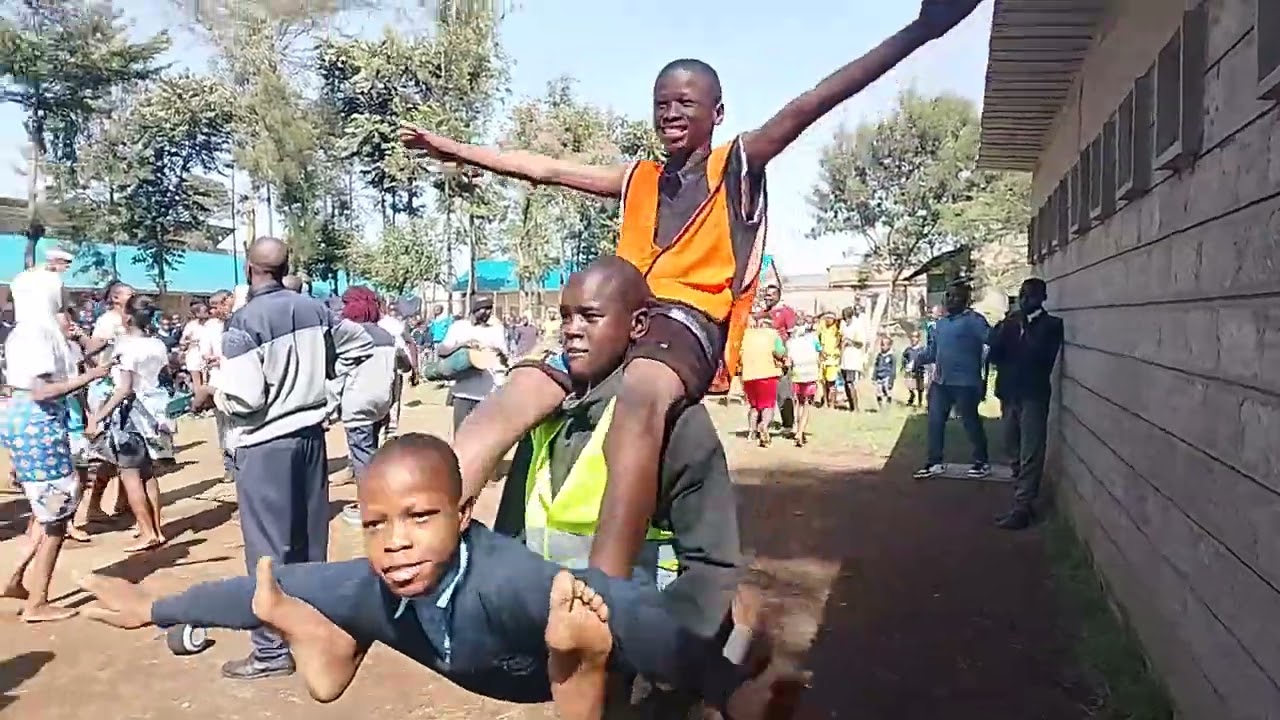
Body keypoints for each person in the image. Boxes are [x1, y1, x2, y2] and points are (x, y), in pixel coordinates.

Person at [401, 0, 986, 581]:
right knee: (517, 392)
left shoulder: (736, 166)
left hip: (684, 326)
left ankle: (605, 583)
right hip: (616, 321)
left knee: (641, 396)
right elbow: (545, 169)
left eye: (686, 103)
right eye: (662, 104)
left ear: (717, 112)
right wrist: (455, 150)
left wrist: (920, 32)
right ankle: (429, 548)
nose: (671, 113)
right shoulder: (638, 179)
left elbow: (812, 102)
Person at [76, 434, 792, 720]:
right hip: (496, 660)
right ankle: (324, 641)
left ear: (462, 511)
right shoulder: (375, 578)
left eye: (420, 517)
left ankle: (708, 643)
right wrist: (159, 607)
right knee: (304, 596)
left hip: (578, 657)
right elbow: (258, 587)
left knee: (613, 639)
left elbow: (630, 608)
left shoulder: (508, 578)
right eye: (377, 521)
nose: (396, 542)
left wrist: (733, 694)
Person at [491, 256, 753, 713]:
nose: (571, 329)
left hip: (645, 663)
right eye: (565, 316)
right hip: (565, 650)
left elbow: (712, 563)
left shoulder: (675, 423)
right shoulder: (548, 418)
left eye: (590, 317)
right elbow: (512, 536)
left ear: (638, 325)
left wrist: (670, 657)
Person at [193, 237, 335, 681]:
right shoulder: (314, 309)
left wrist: (212, 394)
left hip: (265, 444)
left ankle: (271, 652)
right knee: (309, 545)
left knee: (267, 552)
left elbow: (247, 396)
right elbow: (333, 363)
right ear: (287, 265)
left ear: (249, 267)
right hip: (311, 439)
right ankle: (315, 634)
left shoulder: (244, 321)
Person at [0, 252, 113, 621]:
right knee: (57, 516)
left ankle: (16, 578)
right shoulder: (39, 334)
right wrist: (91, 377)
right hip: (39, 422)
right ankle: (38, 602)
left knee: (42, 508)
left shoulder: (23, 330)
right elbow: (42, 391)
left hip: (24, 422)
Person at [87, 296, 174, 552]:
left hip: (130, 417)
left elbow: (124, 389)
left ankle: (147, 532)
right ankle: (156, 529)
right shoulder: (157, 345)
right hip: (154, 416)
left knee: (130, 476)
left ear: (126, 317)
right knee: (148, 474)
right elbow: (164, 377)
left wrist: (99, 416)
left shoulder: (125, 347)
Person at [987, 278, 1063, 530]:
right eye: (1021, 295)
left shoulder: (1052, 325)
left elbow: (1041, 357)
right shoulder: (1010, 323)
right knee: (1011, 445)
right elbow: (994, 354)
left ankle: (1023, 506)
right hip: (1009, 392)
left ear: (1041, 298)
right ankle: (1021, 493)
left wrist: (1021, 330)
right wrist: (1002, 329)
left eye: (1029, 296)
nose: (1024, 300)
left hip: (1033, 394)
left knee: (1031, 449)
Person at [331, 286, 412, 496]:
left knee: (362, 455)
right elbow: (405, 364)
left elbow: (335, 372)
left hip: (357, 404)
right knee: (371, 450)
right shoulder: (386, 334)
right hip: (381, 403)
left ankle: (371, 502)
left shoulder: (346, 334)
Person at [911, 282, 991, 480]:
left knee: (970, 421)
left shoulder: (974, 321)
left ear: (966, 300)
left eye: (957, 296)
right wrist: (918, 359)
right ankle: (934, 462)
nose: (951, 300)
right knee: (935, 421)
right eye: (949, 296)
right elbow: (933, 352)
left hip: (966, 382)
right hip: (941, 381)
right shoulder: (941, 324)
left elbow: (991, 341)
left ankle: (981, 462)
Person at [436, 297, 508, 434]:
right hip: (463, 392)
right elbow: (442, 351)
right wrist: (463, 344)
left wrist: (499, 355)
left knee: (484, 437)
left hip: (488, 392)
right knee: (461, 435)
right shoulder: (459, 327)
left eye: (490, 309)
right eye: (484, 308)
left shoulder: (497, 330)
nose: (488, 312)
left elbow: (506, 357)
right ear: (474, 309)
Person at [199, 290, 235, 482]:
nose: (215, 310)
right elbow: (205, 354)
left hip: (239, 379)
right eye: (212, 306)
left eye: (219, 304)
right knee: (223, 424)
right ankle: (229, 464)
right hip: (219, 380)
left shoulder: (241, 321)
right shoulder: (210, 327)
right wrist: (216, 358)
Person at [739, 315, 787, 448]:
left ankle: (751, 433)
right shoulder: (773, 335)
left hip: (749, 375)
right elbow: (779, 352)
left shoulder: (746, 335)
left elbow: (739, 353)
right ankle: (764, 425)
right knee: (768, 405)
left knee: (754, 406)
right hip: (768, 374)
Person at [784, 320, 821, 447]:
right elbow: (820, 353)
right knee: (806, 405)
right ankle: (800, 432)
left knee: (798, 403)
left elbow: (788, 362)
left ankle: (796, 428)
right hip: (811, 375)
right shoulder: (813, 340)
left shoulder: (790, 343)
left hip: (797, 375)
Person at [839, 305, 868, 412]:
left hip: (853, 358)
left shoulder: (858, 325)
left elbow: (861, 343)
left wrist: (850, 342)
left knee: (850, 382)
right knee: (846, 382)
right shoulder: (843, 325)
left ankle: (856, 408)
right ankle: (851, 405)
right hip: (844, 358)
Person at [817, 312, 842, 408]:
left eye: (830, 318)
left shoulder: (837, 327)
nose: (828, 320)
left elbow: (841, 318)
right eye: (826, 318)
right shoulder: (822, 326)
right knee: (823, 382)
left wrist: (835, 316)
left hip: (833, 358)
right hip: (824, 358)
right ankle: (826, 403)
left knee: (831, 383)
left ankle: (832, 403)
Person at [901, 330, 927, 409]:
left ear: (918, 339)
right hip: (910, 371)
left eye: (915, 337)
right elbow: (904, 358)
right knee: (909, 386)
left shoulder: (922, 349)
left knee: (920, 388)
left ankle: (920, 403)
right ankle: (912, 395)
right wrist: (905, 365)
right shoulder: (908, 350)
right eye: (912, 337)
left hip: (919, 371)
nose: (913, 339)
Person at [870, 334, 896, 410]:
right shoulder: (879, 356)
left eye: (884, 345)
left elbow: (893, 369)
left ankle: (888, 405)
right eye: (881, 345)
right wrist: (874, 376)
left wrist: (891, 380)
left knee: (887, 391)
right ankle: (881, 407)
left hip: (887, 377)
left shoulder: (891, 357)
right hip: (879, 377)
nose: (882, 347)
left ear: (889, 346)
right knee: (878, 393)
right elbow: (876, 366)